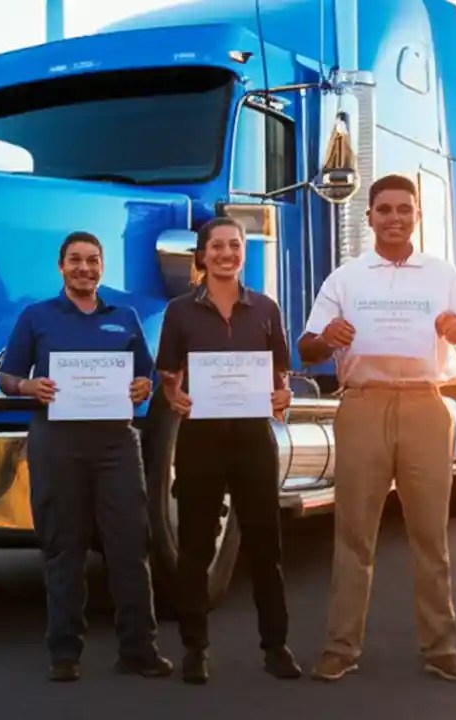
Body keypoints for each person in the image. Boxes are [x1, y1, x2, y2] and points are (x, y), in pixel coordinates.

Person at [299, 173, 456, 683]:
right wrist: (326, 339)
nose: (394, 218)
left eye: (404, 209)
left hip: (426, 405)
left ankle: (441, 647)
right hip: (363, 403)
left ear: (416, 216)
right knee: (354, 533)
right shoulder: (347, 276)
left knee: (430, 534)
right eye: (384, 209)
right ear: (370, 218)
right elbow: (308, 346)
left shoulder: (442, 274)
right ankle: (341, 647)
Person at [0, 231, 173, 682]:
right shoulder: (37, 317)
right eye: (75, 260)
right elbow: (7, 377)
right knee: (64, 546)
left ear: (102, 266)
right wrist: (27, 387)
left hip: (115, 443)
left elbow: (144, 376)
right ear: (61, 267)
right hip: (57, 443)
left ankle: (139, 649)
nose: (84, 268)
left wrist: (142, 387)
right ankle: (64, 653)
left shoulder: (126, 317)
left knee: (130, 545)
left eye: (92, 260)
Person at [154, 216, 302, 685]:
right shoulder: (179, 311)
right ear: (202, 254)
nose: (226, 253)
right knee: (195, 547)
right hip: (200, 439)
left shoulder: (265, 308)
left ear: (243, 252)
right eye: (216, 246)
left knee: (265, 546)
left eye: (234, 245)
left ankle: (276, 646)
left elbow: (281, 374)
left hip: (253, 440)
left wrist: (283, 396)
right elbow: (167, 375)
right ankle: (195, 649)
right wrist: (172, 396)